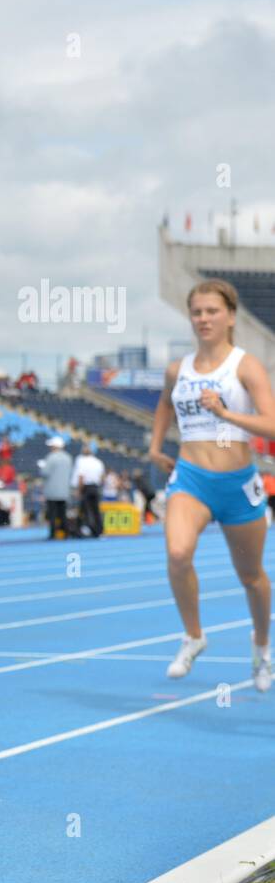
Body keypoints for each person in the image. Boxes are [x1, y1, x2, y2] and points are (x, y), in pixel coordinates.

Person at [149, 279, 275, 691]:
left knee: (251, 576)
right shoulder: (177, 370)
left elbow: (271, 424)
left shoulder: (245, 366)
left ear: (231, 317)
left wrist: (226, 414)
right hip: (191, 478)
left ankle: (260, 647)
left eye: (212, 311)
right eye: (197, 312)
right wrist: (154, 447)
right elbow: (165, 403)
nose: (203, 319)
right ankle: (194, 635)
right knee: (178, 552)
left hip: (238, 485)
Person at [37, 437, 72, 539]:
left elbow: (45, 473)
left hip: (52, 490)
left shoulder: (51, 457)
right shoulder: (68, 457)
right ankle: (66, 532)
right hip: (64, 490)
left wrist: (42, 466)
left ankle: (53, 533)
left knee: (52, 513)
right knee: (63, 513)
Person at [72, 443, 106, 537]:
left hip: (86, 488)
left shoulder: (81, 461)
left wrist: (79, 490)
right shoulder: (98, 462)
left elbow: (81, 477)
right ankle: (99, 530)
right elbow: (103, 477)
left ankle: (85, 530)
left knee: (85, 511)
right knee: (95, 510)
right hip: (95, 487)